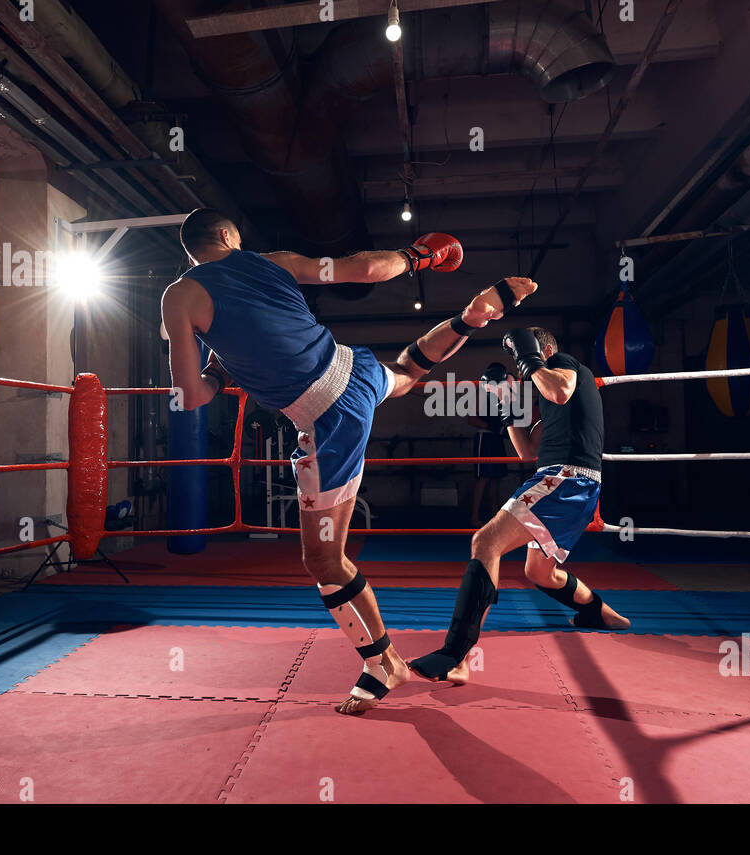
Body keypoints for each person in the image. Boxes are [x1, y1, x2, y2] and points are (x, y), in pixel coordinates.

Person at [159, 209, 537, 714]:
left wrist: (218, 374)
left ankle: (384, 663)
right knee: (403, 373)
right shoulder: (273, 262)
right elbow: (361, 268)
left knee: (322, 559)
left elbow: (190, 394)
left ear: (191, 251)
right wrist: (416, 256)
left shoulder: (180, 294)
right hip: (350, 366)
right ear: (230, 237)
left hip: (327, 417)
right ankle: (469, 320)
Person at [410, 326, 629, 685]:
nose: (518, 364)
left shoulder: (564, 365)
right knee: (539, 573)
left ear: (541, 351)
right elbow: (527, 451)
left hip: (566, 480)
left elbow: (559, 389)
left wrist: (530, 360)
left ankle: (456, 655)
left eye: (521, 355)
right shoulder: (553, 401)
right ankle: (599, 613)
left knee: (485, 542)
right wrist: (506, 402)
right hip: (562, 482)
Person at [466, 362, 513, 527]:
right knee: (483, 478)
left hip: (496, 438)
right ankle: (474, 517)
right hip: (484, 439)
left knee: (496, 478)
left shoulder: (501, 393)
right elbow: (471, 418)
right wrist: (491, 427)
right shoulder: (481, 391)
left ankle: (494, 516)